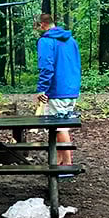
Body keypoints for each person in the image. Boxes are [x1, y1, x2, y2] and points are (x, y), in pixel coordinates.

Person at [35, 14, 81, 166]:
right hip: (71, 89)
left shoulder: (46, 41)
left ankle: (67, 165)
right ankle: (60, 160)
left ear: (42, 25)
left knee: (59, 128)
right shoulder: (71, 40)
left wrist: (42, 89)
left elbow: (46, 67)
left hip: (56, 90)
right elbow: (76, 64)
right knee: (60, 126)